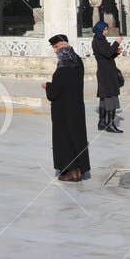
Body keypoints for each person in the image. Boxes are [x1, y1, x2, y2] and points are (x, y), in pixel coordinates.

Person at [44, 35, 90, 181]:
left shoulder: (62, 68)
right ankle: (79, 169)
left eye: (55, 48)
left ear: (60, 47)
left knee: (64, 139)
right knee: (76, 137)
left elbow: (54, 93)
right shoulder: (78, 61)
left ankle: (70, 172)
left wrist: (48, 86)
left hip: (62, 110)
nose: (54, 51)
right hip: (76, 107)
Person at [92, 18, 124, 134]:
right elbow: (107, 53)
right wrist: (117, 42)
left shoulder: (100, 40)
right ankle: (110, 125)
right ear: (101, 30)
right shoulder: (98, 41)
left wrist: (116, 52)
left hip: (105, 72)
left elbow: (107, 56)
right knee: (111, 98)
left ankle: (102, 123)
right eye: (105, 29)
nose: (106, 31)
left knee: (104, 98)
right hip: (106, 74)